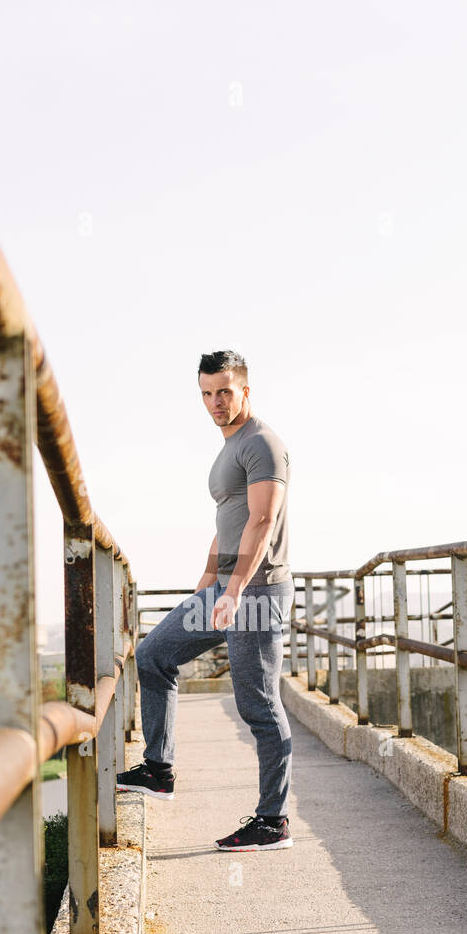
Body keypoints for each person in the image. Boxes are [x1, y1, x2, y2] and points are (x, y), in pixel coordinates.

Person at [117, 349, 294, 851]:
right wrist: (207, 583)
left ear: (245, 390)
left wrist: (234, 590)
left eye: (224, 391)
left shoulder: (263, 443)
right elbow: (230, 522)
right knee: (154, 656)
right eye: (207, 394)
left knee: (257, 702)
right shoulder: (229, 447)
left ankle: (272, 821)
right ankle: (158, 768)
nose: (215, 402)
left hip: (256, 592)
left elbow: (262, 521)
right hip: (225, 588)